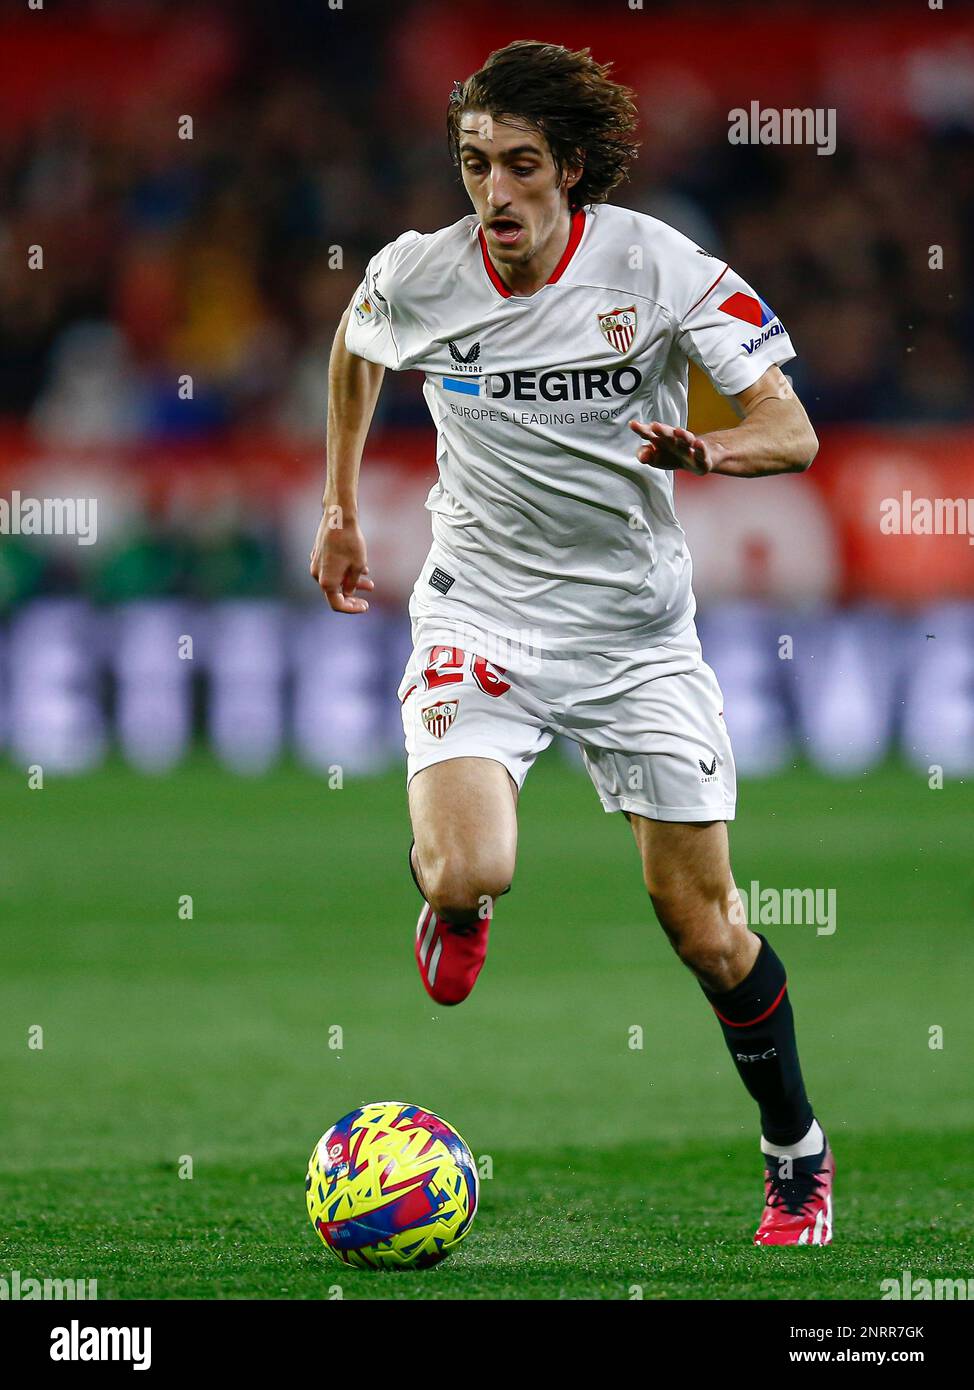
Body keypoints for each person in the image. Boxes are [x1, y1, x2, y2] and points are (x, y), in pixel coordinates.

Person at [310, 40, 831, 1246]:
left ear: (573, 170)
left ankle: (793, 1150)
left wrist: (713, 452)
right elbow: (353, 347)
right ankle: (454, 905)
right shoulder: (418, 274)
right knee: (464, 868)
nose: (492, 194)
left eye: (519, 166)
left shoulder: (657, 267)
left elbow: (787, 426)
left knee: (702, 928)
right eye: (473, 163)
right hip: (477, 607)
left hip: (633, 636)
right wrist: (337, 509)